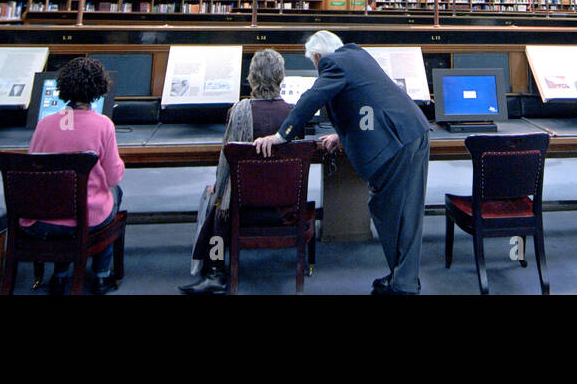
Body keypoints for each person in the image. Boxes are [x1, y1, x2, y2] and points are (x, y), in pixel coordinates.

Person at [254, 31, 430, 294]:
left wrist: (282, 135)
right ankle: (402, 279)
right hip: (414, 129)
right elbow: (367, 99)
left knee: (388, 209)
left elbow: (312, 98)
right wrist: (343, 134)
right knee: (410, 212)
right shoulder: (357, 54)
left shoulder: (331, 64)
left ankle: (403, 285)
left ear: (316, 57)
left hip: (394, 142)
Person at [180, 48, 292, 294]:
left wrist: (219, 189)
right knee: (220, 201)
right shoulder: (294, 114)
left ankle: (215, 270)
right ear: (280, 78)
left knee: (218, 207)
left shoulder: (239, 111)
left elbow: (227, 158)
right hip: (283, 205)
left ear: (251, 78)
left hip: (244, 205)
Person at [21, 56, 125, 294]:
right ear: (100, 90)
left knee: (64, 197)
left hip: (41, 220)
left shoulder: (45, 123)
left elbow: (32, 167)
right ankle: (101, 275)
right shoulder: (103, 125)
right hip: (85, 220)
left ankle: (60, 274)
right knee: (114, 195)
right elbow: (112, 178)